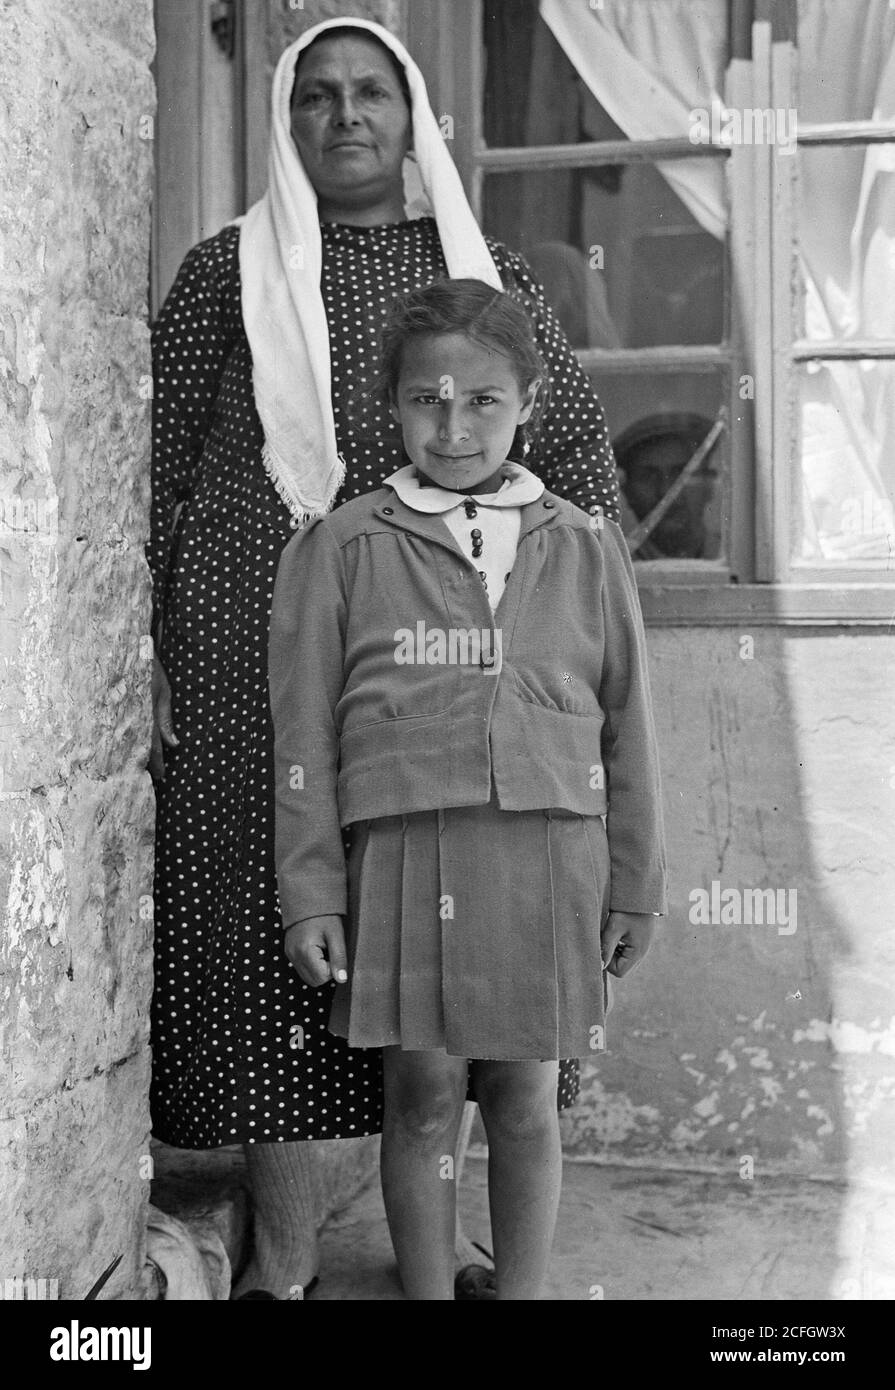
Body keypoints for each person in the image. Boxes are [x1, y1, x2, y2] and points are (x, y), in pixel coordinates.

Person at [147, 16, 623, 1300]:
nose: (343, 117)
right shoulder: (224, 271)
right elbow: (157, 465)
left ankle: (470, 1256)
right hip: (261, 634)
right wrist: (147, 648)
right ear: (284, 121)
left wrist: (564, 638)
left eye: (370, 94)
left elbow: (573, 457)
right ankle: (282, 1257)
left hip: (449, 655)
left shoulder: (482, 279)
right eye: (315, 97)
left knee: (463, 952)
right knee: (272, 920)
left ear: (412, 117)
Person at [269, 279, 668, 1300]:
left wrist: (636, 883)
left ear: (528, 402)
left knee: (528, 1093)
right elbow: (305, 731)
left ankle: (524, 1290)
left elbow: (629, 729)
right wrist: (312, 892)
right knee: (422, 1091)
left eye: (482, 401)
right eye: (426, 401)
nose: (452, 427)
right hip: (408, 854)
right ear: (393, 406)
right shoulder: (345, 543)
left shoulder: (581, 544)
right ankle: (432, 1288)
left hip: (549, 854)